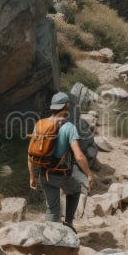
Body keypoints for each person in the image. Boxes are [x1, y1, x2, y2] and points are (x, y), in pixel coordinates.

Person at [28, 92, 94, 231]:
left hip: (44, 174)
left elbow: (30, 154)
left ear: (52, 107)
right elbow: (79, 156)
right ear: (67, 106)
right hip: (60, 175)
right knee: (75, 190)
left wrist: (32, 177)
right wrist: (88, 174)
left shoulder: (40, 124)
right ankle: (69, 224)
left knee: (52, 209)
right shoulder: (69, 127)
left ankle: (49, 240)